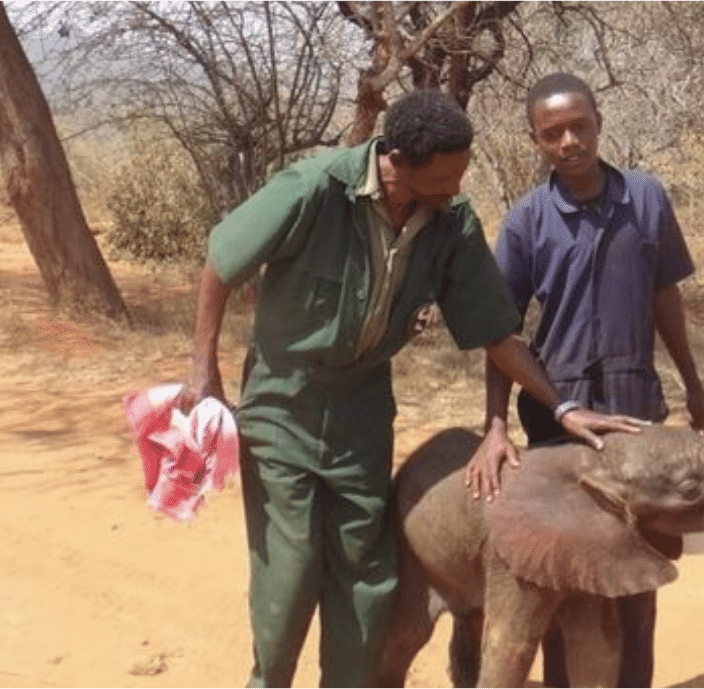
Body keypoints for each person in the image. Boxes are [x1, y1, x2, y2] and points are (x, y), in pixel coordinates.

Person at [176, 89, 644, 688]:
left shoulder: (451, 222)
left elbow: (497, 334)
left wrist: (564, 407)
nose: (457, 185)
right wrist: (202, 366)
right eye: (447, 175)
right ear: (398, 162)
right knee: (290, 573)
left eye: (462, 172)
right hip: (282, 404)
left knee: (365, 579)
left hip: (363, 411)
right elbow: (221, 260)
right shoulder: (312, 189)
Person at [463, 72, 704, 688]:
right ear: (536, 141)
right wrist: (495, 424)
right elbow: (501, 334)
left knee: (639, 577)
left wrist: (693, 382)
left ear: (599, 121)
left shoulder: (647, 199)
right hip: (557, 420)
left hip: (636, 413)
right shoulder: (525, 222)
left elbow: (664, 295)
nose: (569, 140)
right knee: (567, 579)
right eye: (553, 133)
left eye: (579, 126)